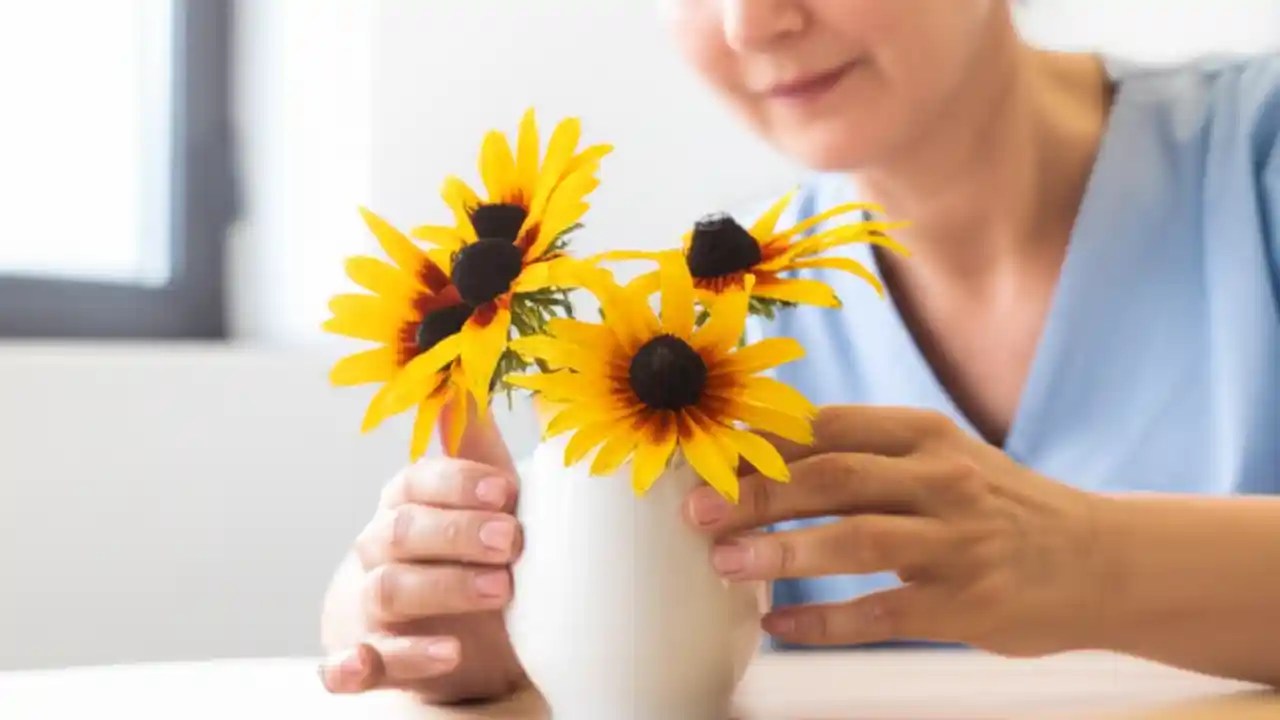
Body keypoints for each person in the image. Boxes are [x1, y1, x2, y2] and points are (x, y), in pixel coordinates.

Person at [318, 0, 1280, 704]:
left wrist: (1085, 561)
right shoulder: (708, 331)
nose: (750, 22)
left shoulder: (1256, 156)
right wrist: (486, 616)